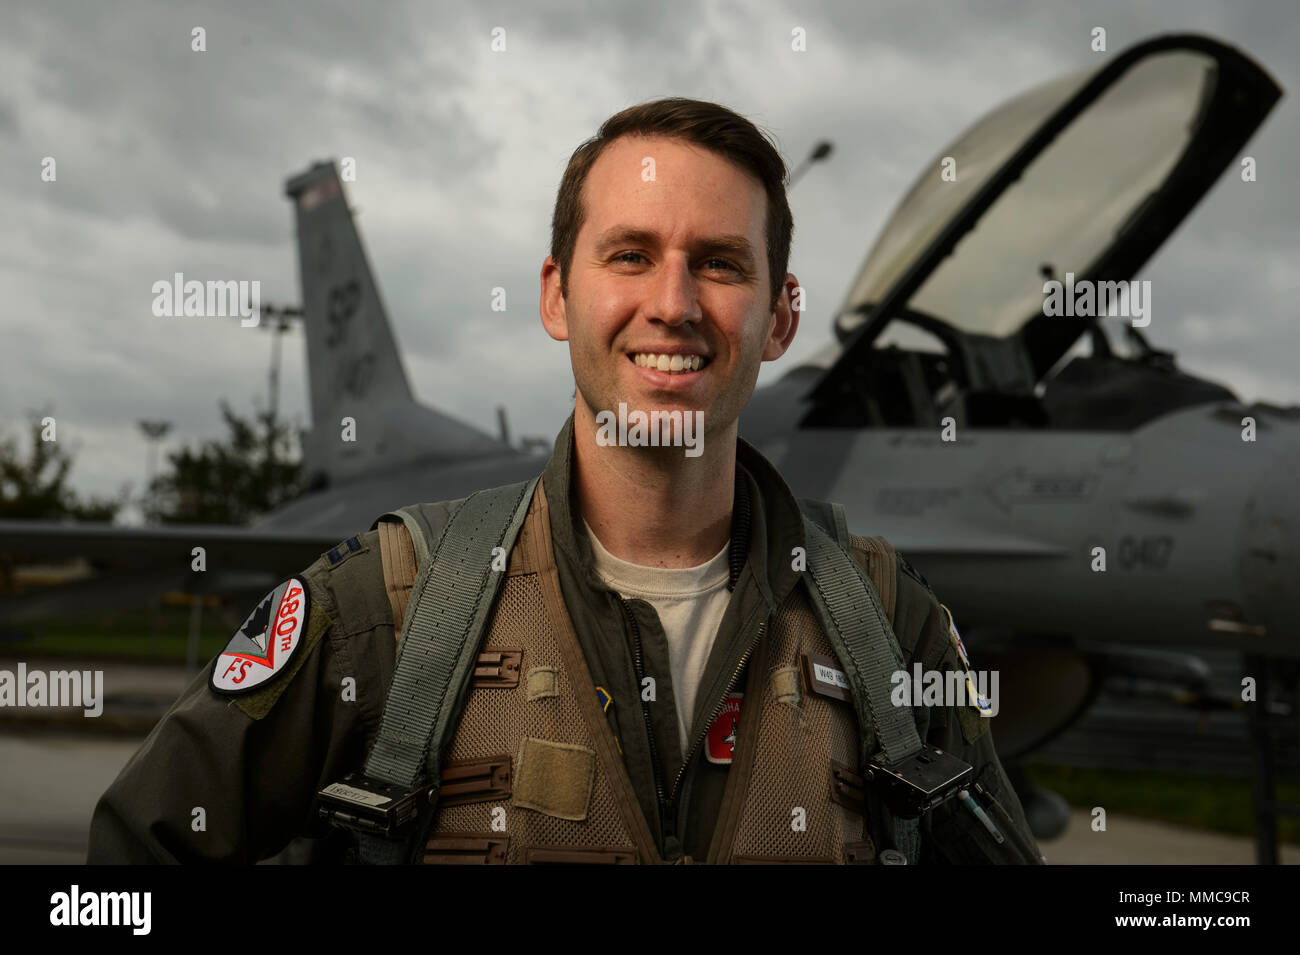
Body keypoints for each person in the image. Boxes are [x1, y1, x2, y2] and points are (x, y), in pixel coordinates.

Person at [88, 98, 1042, 865]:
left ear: (782, 318)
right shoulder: (389, 604)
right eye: (630, 256)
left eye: (719, 264)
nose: (672, 305)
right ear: (556, 294)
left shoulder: (890, 623)